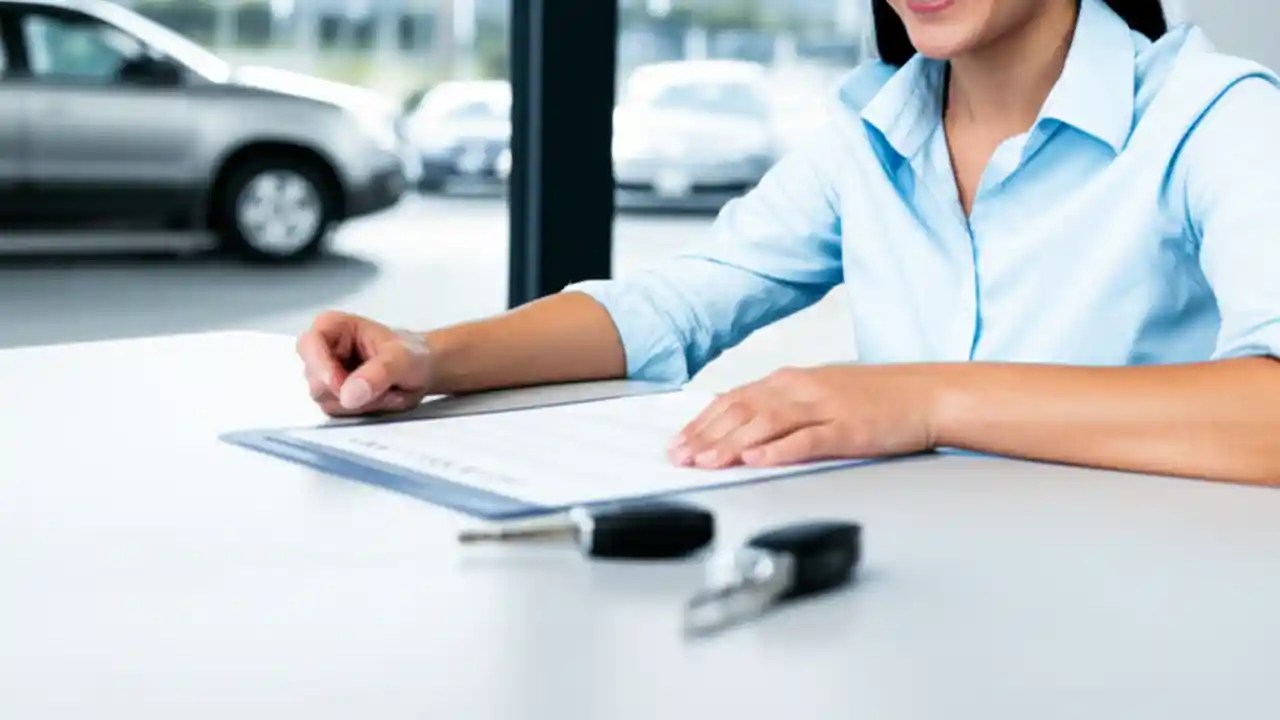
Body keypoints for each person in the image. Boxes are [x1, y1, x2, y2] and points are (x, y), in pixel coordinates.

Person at [297, 0, 1280, 486]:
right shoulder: (869, 130)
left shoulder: (1216, 118)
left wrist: (918, 398)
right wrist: (428, 356)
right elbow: (685, 294)